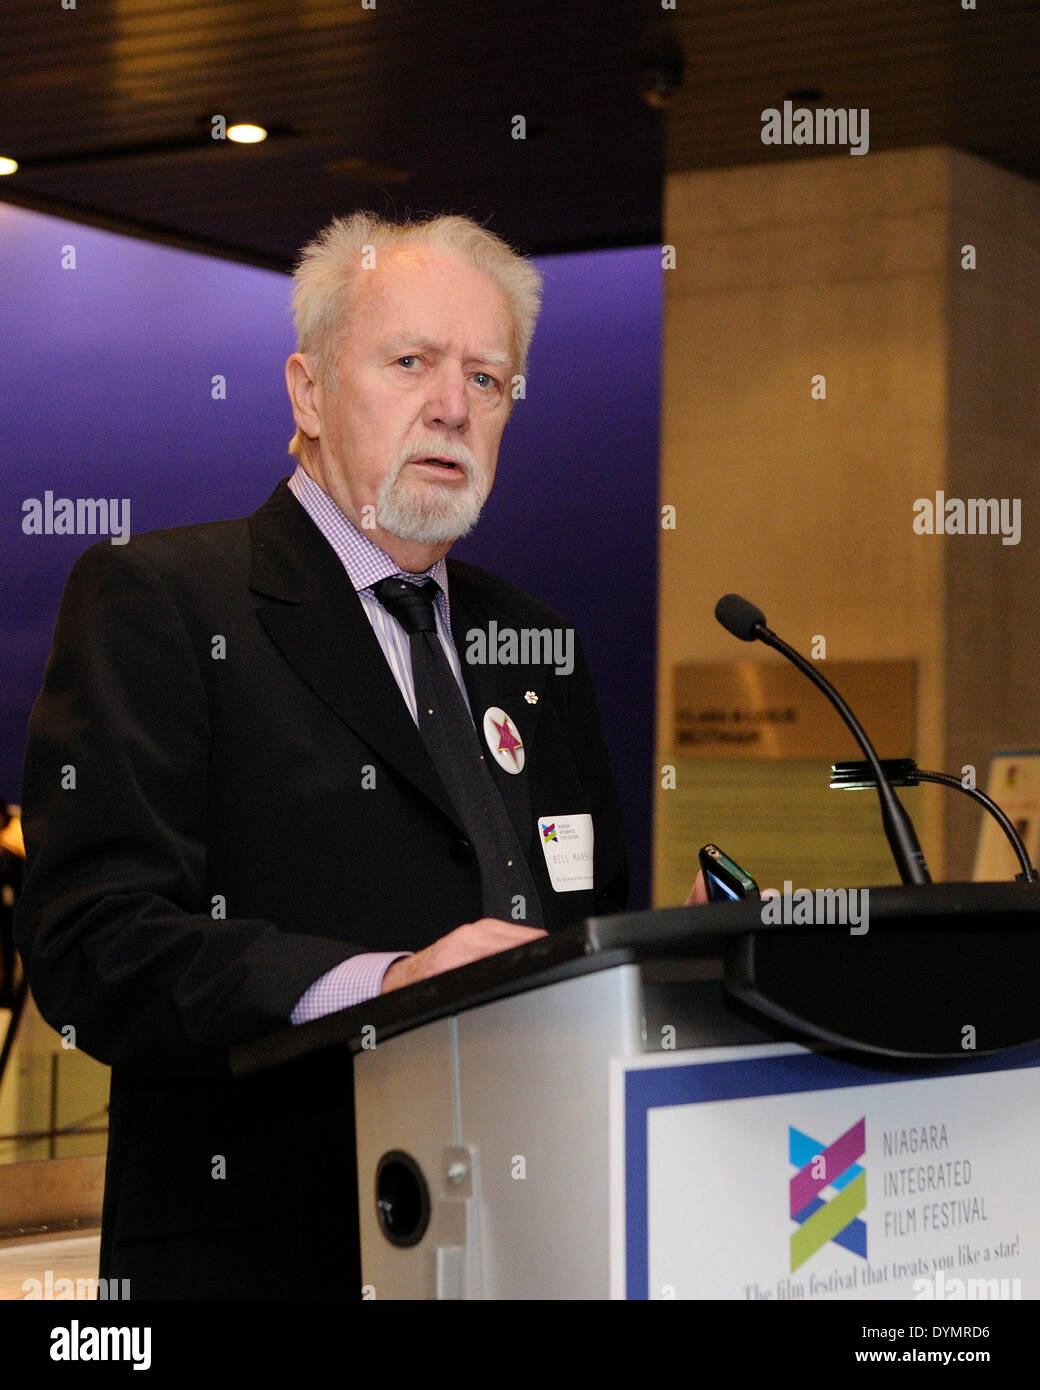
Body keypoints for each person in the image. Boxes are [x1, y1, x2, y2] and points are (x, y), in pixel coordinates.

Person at [15, 211, 658, 1299]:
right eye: (409, 362)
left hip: (529, 1246)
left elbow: (574, 928)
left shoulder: (535, 645)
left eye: (488, 380)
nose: (451, 406)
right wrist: (381, 986)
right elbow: (94, 944)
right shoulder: (161, 599)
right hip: (271, 1259)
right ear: (307, 393)